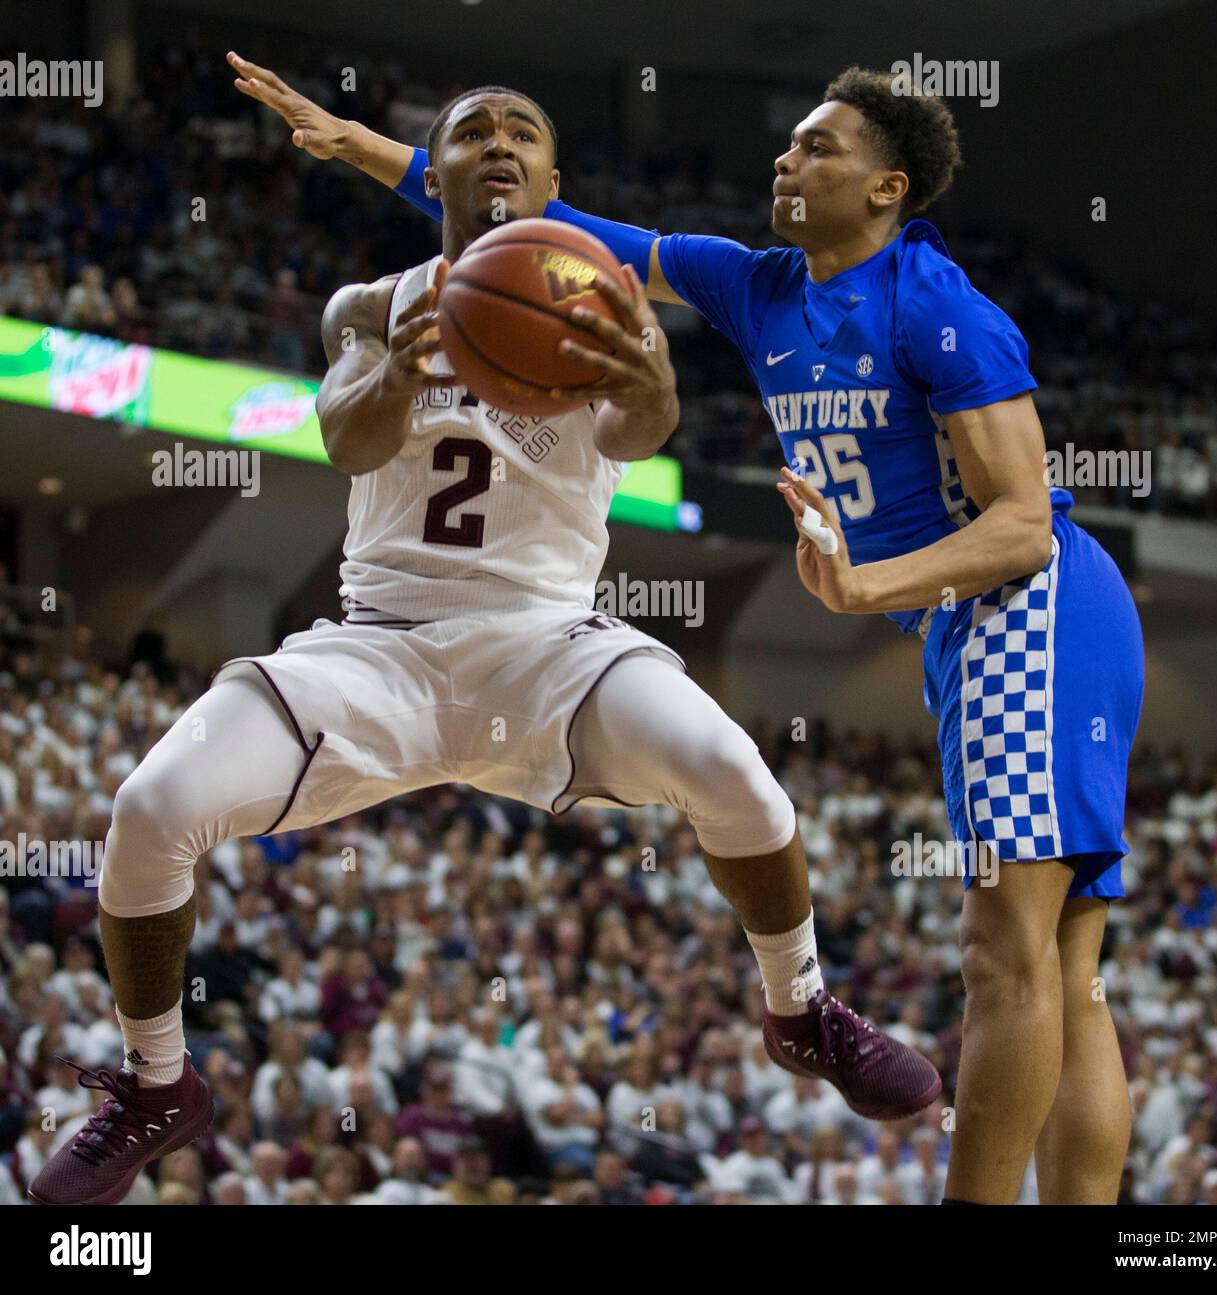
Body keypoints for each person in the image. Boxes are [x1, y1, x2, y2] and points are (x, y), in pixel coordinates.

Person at [236, 54, 1143, 1206]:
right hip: (972, 623)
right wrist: (355, 144)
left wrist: (868, 588)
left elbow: (1020, 523)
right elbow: (543, 221)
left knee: (1002, 948)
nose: (787, 157)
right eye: (790, 141)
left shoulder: (937, 303)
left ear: (888, 187)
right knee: (1067, 970)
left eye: (819, 146)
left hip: (1034, 601)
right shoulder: (752, 283)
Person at [30, 76, 939, 1208]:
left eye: (524, 135)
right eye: (472, 131)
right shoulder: (370, 304)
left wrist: (652, 382)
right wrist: (403, 371)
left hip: (548, 645)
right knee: (148, 810)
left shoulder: (604, 302)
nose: (498, 145)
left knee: (735, 777)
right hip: (378, 649)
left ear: (555, 185)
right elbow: (347, 441)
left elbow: (640, 428)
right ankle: (158, 1083)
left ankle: (801, 1008)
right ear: (437, 169)